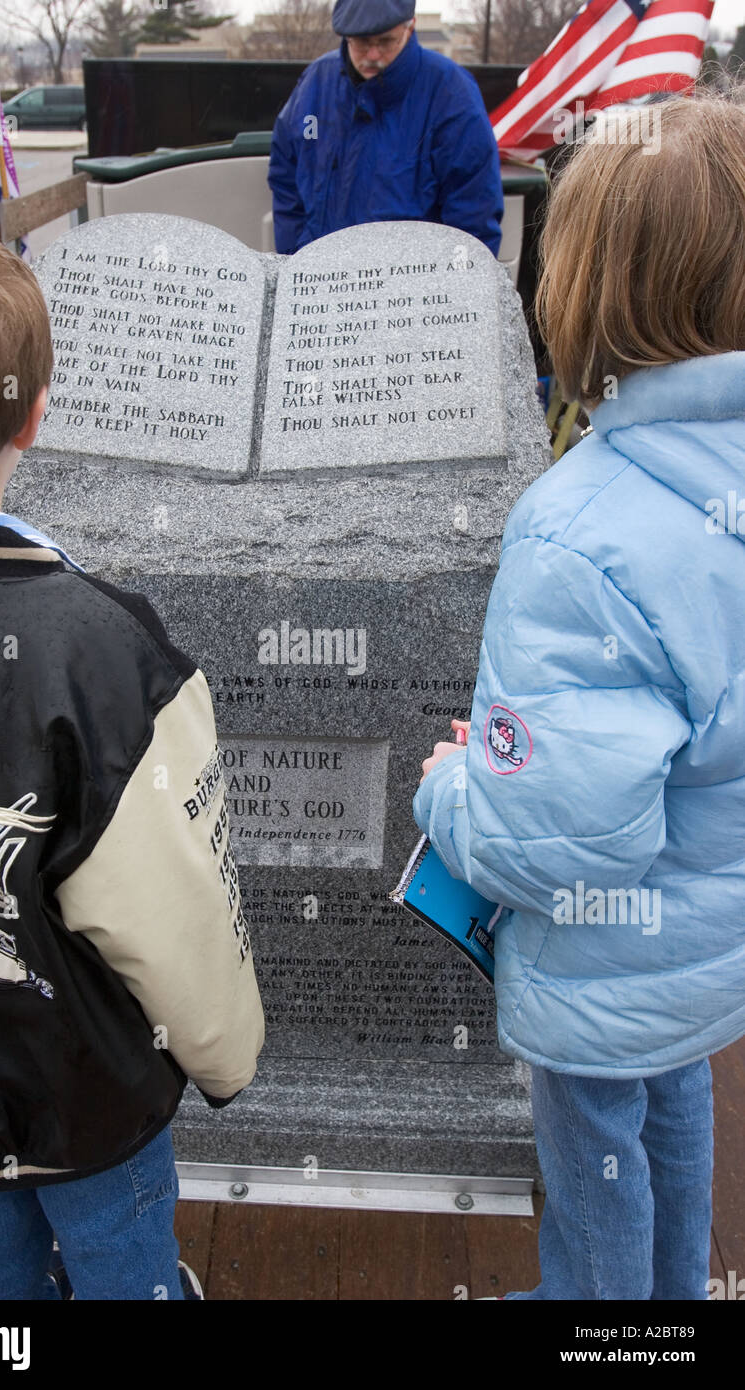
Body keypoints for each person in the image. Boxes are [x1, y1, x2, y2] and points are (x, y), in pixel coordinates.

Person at [0, 217, 265, 1300]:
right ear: (34, 416)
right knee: (121, 1264)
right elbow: (171, 906)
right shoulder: (102, 650)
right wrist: (224, 1049)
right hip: (87, 1092)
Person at [413, 94, 745, 1300]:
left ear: (587, 280)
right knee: (676, 1102)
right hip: (708, 940)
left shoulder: (579, 530)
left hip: (605, 950)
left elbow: (551, 844)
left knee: (595, 1150)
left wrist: (452, 787)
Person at [268, 0, 503, 257]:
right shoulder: (315, 83)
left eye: (385, 41)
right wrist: (296, 259)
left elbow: (474, 210)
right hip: (319, 278)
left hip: (412, 285)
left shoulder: (451, 93)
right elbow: (285, 173)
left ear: (410, 28)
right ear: (346, 37)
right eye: (362, 42)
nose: (372, 55)